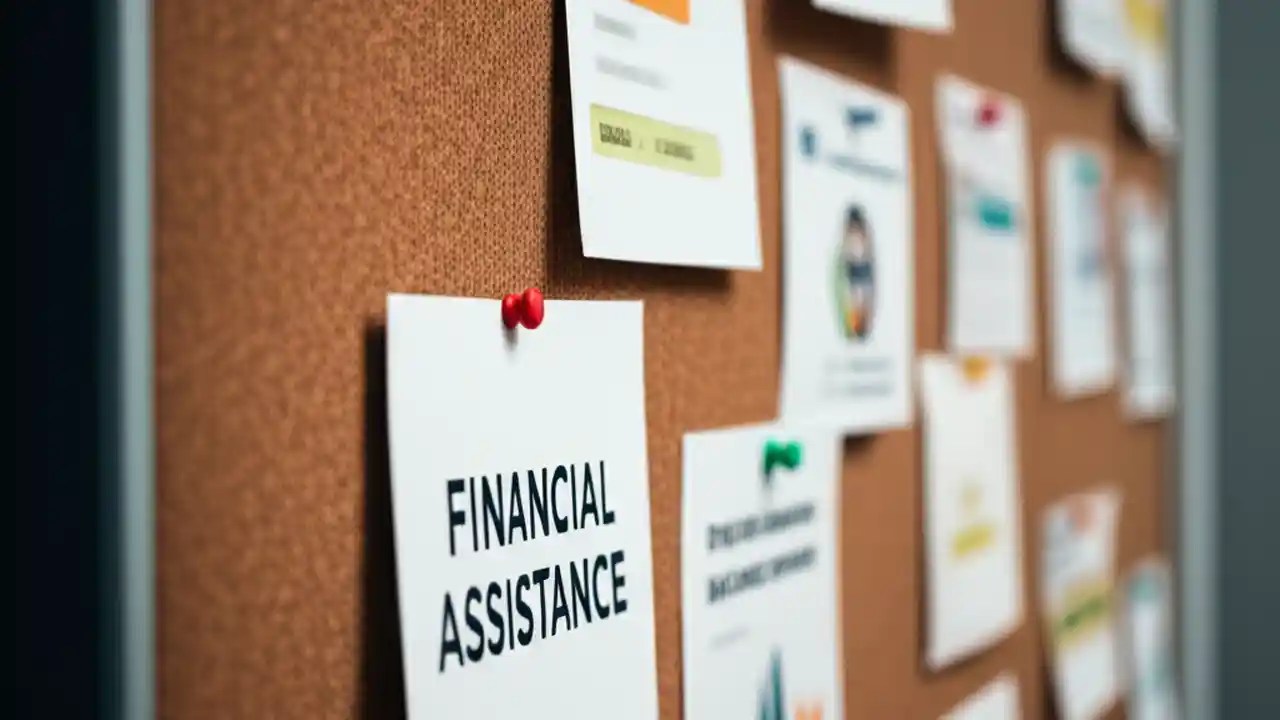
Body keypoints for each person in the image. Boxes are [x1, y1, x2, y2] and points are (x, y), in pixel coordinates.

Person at [839, 206, 875, 339]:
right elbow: (846, 253)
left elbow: (867, 251)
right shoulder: (848, 235)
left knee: (863, 299)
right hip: (854, 270)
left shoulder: (864, 234)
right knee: (855, 300)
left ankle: (862, 328)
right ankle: (854, 329)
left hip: (863, 269)